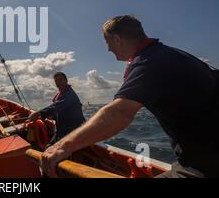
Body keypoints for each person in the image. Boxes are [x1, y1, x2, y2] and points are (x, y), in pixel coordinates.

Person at [41, 15, 219, 178]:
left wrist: (63, 146)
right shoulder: (172, 54)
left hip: (204, 167)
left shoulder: (147, 63)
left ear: (116, 39)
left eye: (107, 42)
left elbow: (119, 113)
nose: (108, 49)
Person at [27, 72, 85, 143]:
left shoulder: (69, 94)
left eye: (60, 80)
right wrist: (50, 116)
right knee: (50, 146)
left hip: (72, 130)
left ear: (66, 80)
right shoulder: (62, 93)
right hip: (62, 128)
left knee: (51, 148)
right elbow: (61, 110)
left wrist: (38, 113)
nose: (58, 82)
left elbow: (57, 106)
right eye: (56, 81)